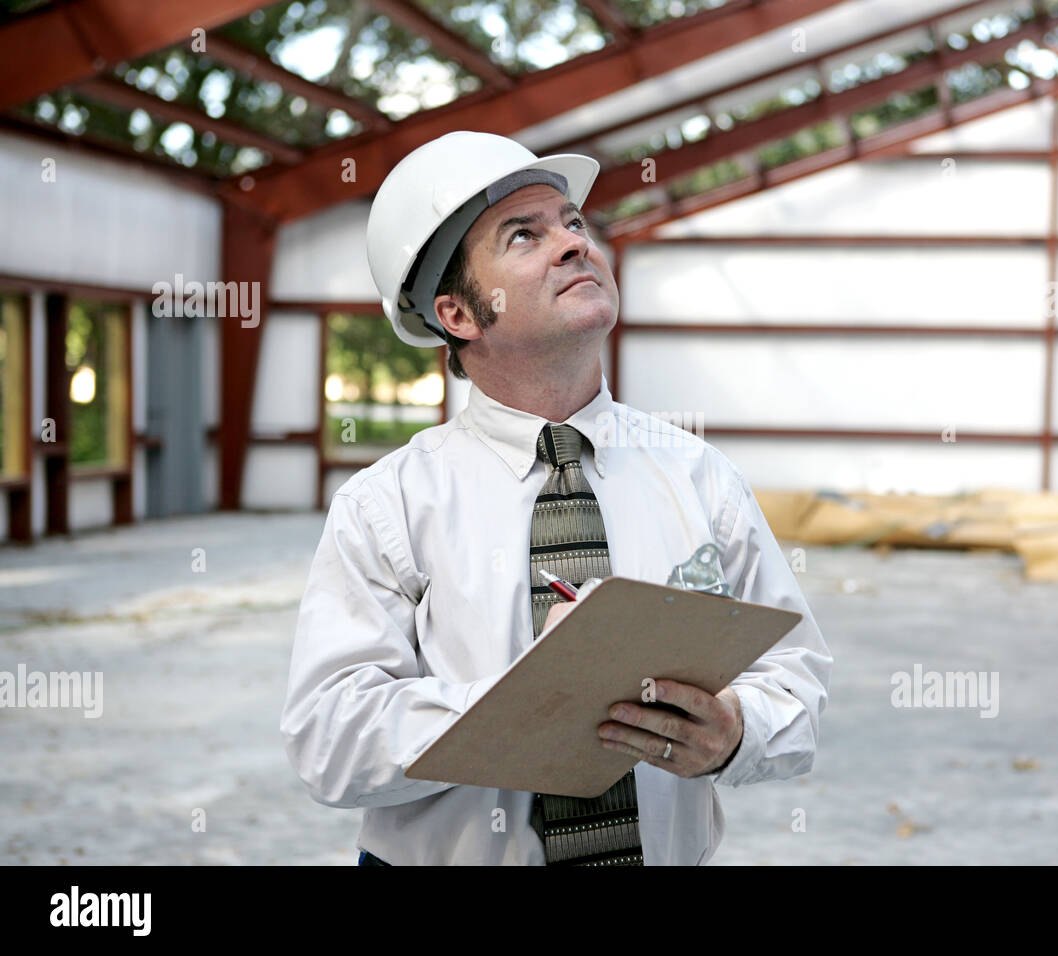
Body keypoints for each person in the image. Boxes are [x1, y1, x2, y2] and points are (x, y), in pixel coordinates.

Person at [280, 131, 832, 865]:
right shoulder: (387, 507)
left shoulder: (703, 480)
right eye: (524, 235)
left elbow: (796, 681)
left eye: (573, 223)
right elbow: (330, 741)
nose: (575, 244)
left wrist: (734, 730)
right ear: (459, 315)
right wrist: (527, 705)